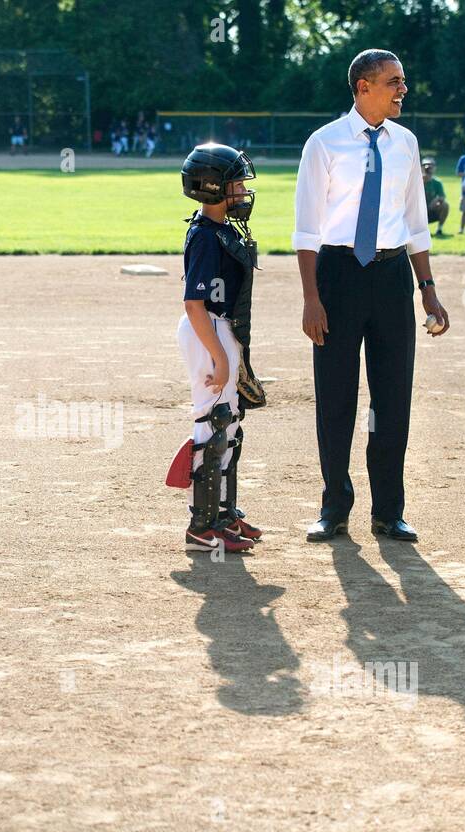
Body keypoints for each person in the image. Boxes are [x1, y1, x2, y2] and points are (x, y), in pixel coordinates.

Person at [292, 49, 450, 545]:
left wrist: (427, 291)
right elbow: (306, 229)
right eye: (394, 81)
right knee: (335, 397)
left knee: (392, 398)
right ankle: (334, 507)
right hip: (338, 275)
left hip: (390, 278)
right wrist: (311, 298)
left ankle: (389, 512)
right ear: (363, 86)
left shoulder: (405, 143)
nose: (403, 89)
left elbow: (417, 225)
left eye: (402, 81)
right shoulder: (324, 144)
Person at [175, 143, 265, 554]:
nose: (243, 189)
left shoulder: (222, 230)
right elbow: (193, 304)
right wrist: (220, 356)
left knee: (229, 422)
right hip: (205, 328)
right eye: (236, 182)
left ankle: (223, 515)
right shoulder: (205, 237)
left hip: (219, 328)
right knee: (212, 422)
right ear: (212, 187)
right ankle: (200, 525)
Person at [422, 157, 448, 235]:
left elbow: (442, 197)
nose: (428, 168)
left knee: (445, 205)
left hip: (430, 209)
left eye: (431, 166)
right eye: (425, 165)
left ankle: (439, 229)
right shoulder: (416, 181)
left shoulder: (437, 182)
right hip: (417, 210)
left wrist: (436, 201)